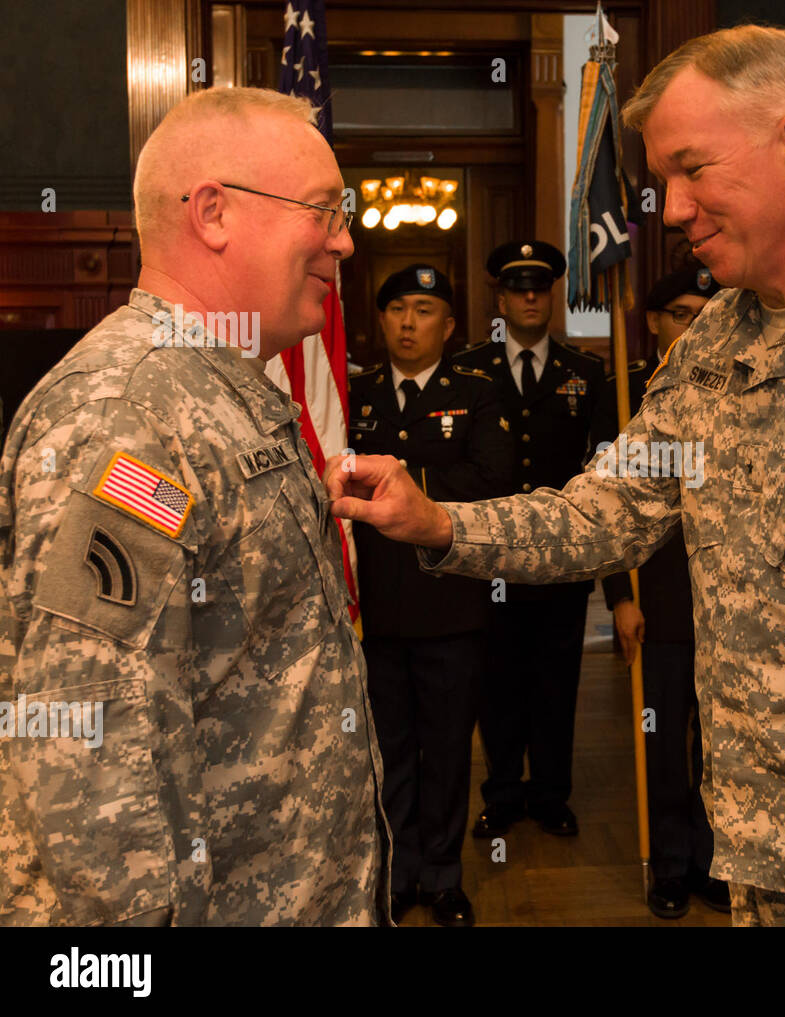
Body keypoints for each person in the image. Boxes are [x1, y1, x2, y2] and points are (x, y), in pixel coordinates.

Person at [326, 25, 785, 926]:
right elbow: (607, 511)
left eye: (692, 171)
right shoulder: (714, 341)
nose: (671, 210)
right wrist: (441, 523)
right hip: (752, 854)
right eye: (659, 184)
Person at [0, 87, 391, 926]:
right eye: (322, 212)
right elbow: (92, 755)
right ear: (213, 213)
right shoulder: (132, 416)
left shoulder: (223, 390)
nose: (345, 241)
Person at [349, 264, 511, 927]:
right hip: (378, 607)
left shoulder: (476, 392)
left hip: (450, 607)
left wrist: (402, 484)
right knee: (388, 751)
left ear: (448, 325)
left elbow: (491, 478)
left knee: (446, 749)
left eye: (424, 310)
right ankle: (397, 872)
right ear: (380, 320)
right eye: (396, 310)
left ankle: (443, 876)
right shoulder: (352, 396)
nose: (408, 323)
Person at [453, 241, 605, 840]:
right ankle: (502, 794)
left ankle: (550, 794)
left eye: (540, 287)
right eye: (519, 288)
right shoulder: (470, 371)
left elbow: (600, 470)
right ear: (502, 298)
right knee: (497, 683)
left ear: (554, 296)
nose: (531, 297)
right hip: (490, 562)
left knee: (555, 683)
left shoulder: (584, 373)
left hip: (561, 564)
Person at [594, 265, 729, 919]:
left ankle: (711, 861)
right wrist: (619, 595)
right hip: (658, 593)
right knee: (661, 739)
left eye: (706, 313)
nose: (694, 326)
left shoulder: (740, 386)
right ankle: (670, 865)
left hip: (726, 598)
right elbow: (603, 505)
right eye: (681, 313)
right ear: (651, 321)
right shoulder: (621, 388)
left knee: (719, 739)